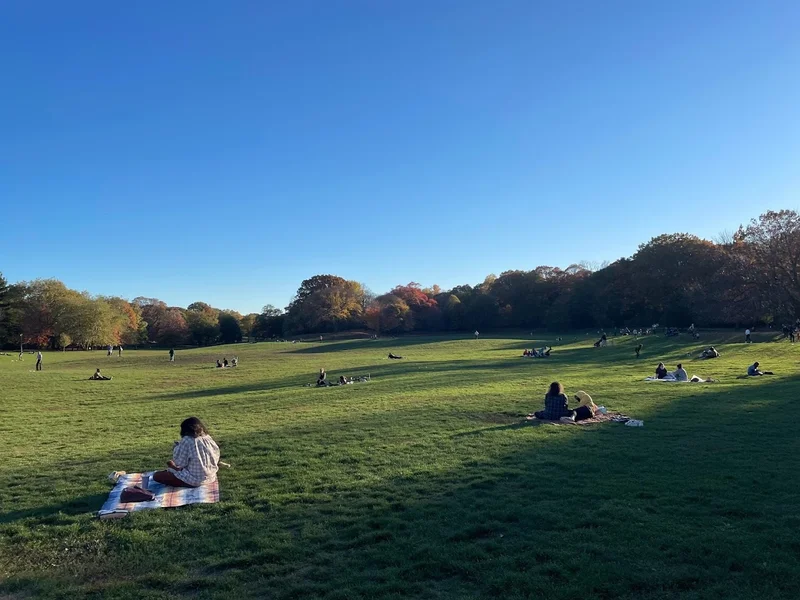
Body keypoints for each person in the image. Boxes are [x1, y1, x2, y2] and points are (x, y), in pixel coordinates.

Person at [152, 417, 220, 488]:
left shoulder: (187, 440)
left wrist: (176, 449)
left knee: (156, 476)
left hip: (194, 480)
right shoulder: (208, 438)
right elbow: (216, 454)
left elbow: (179, 463)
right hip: (211, 477)